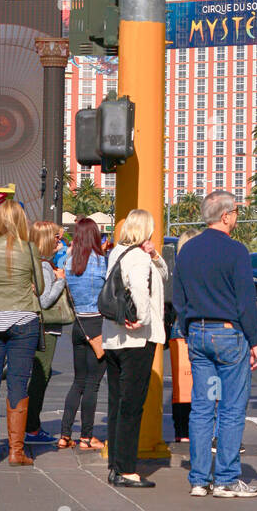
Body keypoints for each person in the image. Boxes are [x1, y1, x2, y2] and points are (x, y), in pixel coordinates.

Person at [172, 191, 257, 499]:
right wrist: (255, 341)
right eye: (235, 212)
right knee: (231, 408)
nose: (237, 216)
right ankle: (226, 478)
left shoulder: (187, 251)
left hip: (198, 333)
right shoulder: (236, 252)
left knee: (202, 407)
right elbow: (245, 302)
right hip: (228, 336)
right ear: (225, 216)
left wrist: (187, 327)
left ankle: (199, 478)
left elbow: (178, 296)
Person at [0, 198, 44, 467]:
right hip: (22, 318)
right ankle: (16, 451)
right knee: (17, 382)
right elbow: (38, 282)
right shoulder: (29, 248)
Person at [102, 209, 167, 488]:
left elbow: (160, 275)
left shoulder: (117, 252)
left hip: (113, 338)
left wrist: (155, 256)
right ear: (147, 229)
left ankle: (116, 464)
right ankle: (127, 469)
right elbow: (141, 291)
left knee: (117, 403)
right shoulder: (138, 257)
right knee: (132, 405)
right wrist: (141, 320)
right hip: (137, 339)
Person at [59, 217, 108, 451]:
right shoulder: (101, 262)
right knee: (93, 384)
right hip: (97, 325)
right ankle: (87, 436)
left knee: (78, 381)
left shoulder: (70, 262)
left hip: (78, 326)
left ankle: (64, 433)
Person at [25, 221, 68, 444]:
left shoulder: (34, 262)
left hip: (33, 325)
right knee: (41, 375)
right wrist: (61, 281)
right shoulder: (43, 266)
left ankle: (29, 424)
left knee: (35, 375)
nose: (59, 241)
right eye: (55, 237)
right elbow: (45, 299)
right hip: (45, 328)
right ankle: (31, 427)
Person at [169, 231, 196, 442]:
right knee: (200, 383)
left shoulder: (176, 269)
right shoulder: (202, 270)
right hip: (198, 327)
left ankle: (181, 431)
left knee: (181, 384)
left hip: (177, 328)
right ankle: (199, 428)